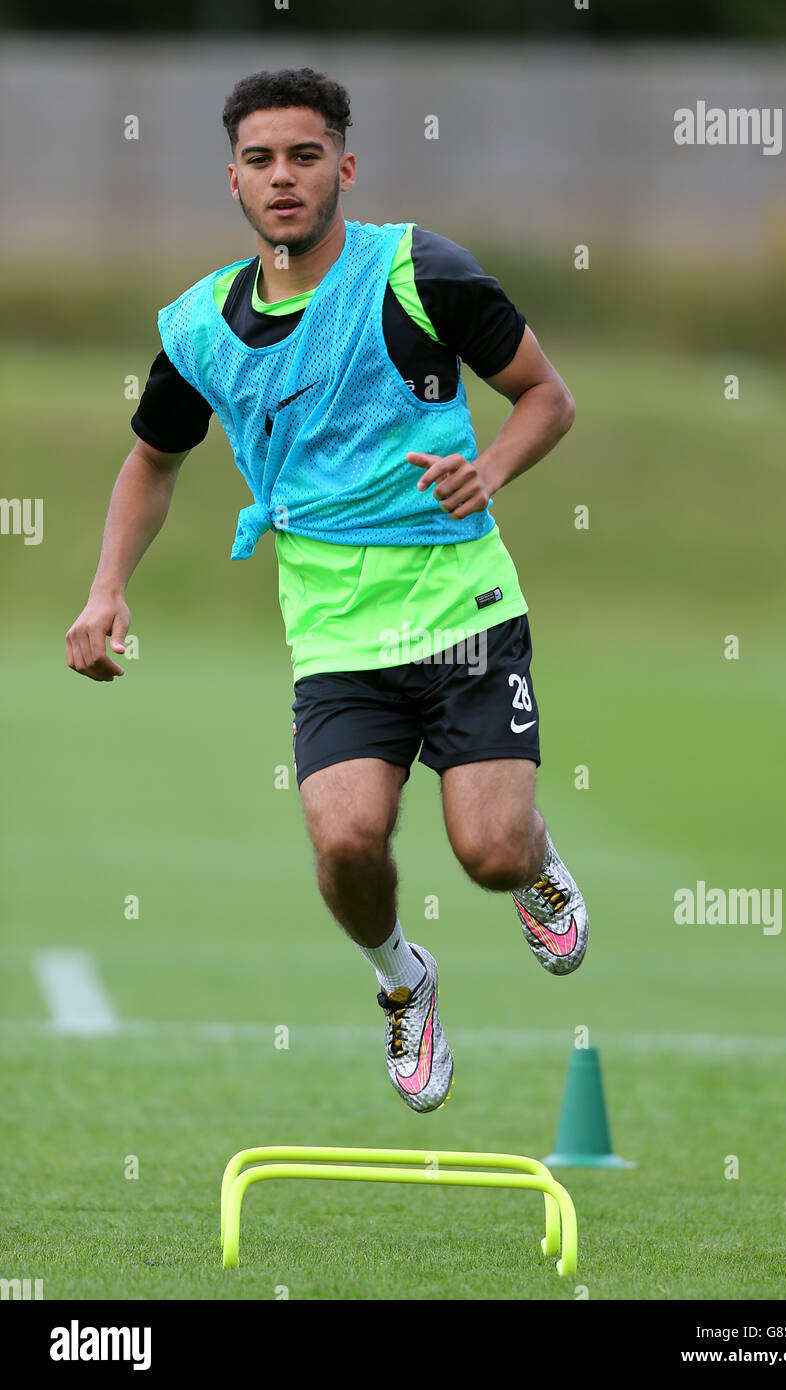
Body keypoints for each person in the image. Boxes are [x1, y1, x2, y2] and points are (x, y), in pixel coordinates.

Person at [66, 67, 588, 1114]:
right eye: (260, 160)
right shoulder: (200, 328)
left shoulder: (420, 273)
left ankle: (535, 863)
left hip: (463, 611)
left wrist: (488, 470)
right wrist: (105, 588)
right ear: (233, 180)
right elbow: (152, 461)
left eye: (304, 156)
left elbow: (546, 396)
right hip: (335, 634)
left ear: (344, 167)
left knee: (488, 852)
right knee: (345, 840)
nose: (283, 177)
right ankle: (402, 979)